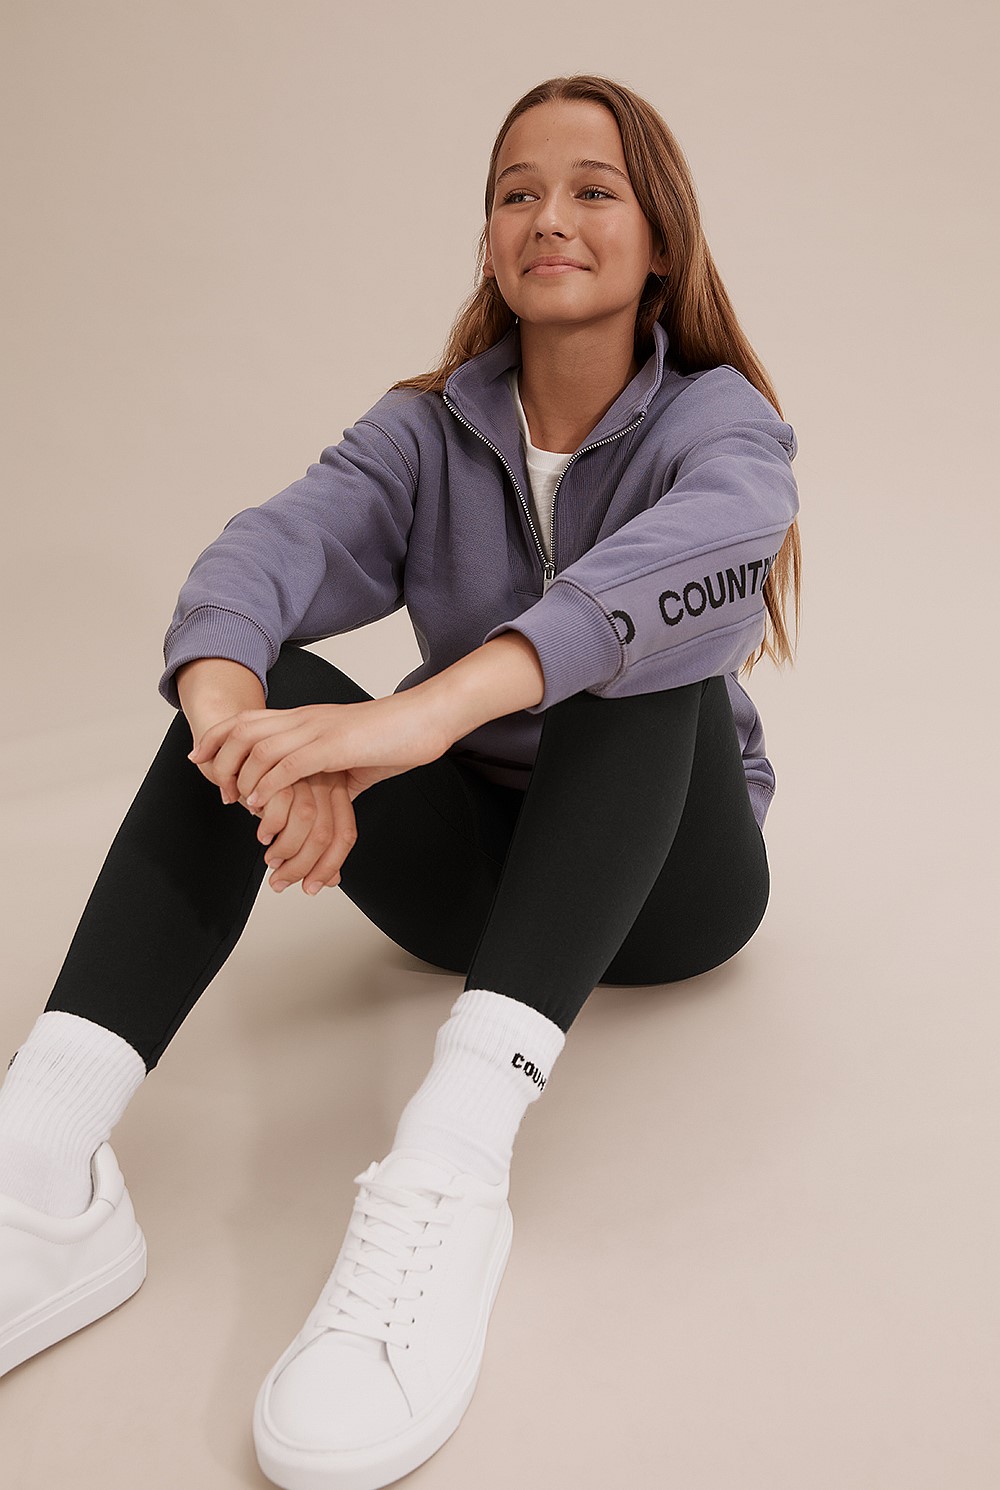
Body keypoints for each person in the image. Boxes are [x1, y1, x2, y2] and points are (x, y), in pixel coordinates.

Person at [0, 72, 801, 1490]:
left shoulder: (718, 423)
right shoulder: (430, 427)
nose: (550, 217)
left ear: (660, 237)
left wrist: (414, 723)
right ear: (488, 235)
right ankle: (39, 1168)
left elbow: (700, 559)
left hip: (670, 889)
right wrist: (247, 732)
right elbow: (266, 552)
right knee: (256, 679)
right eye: (517, 192)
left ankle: (446, 1170)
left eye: (593, 190)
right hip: (472, 895)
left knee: (638, 657)